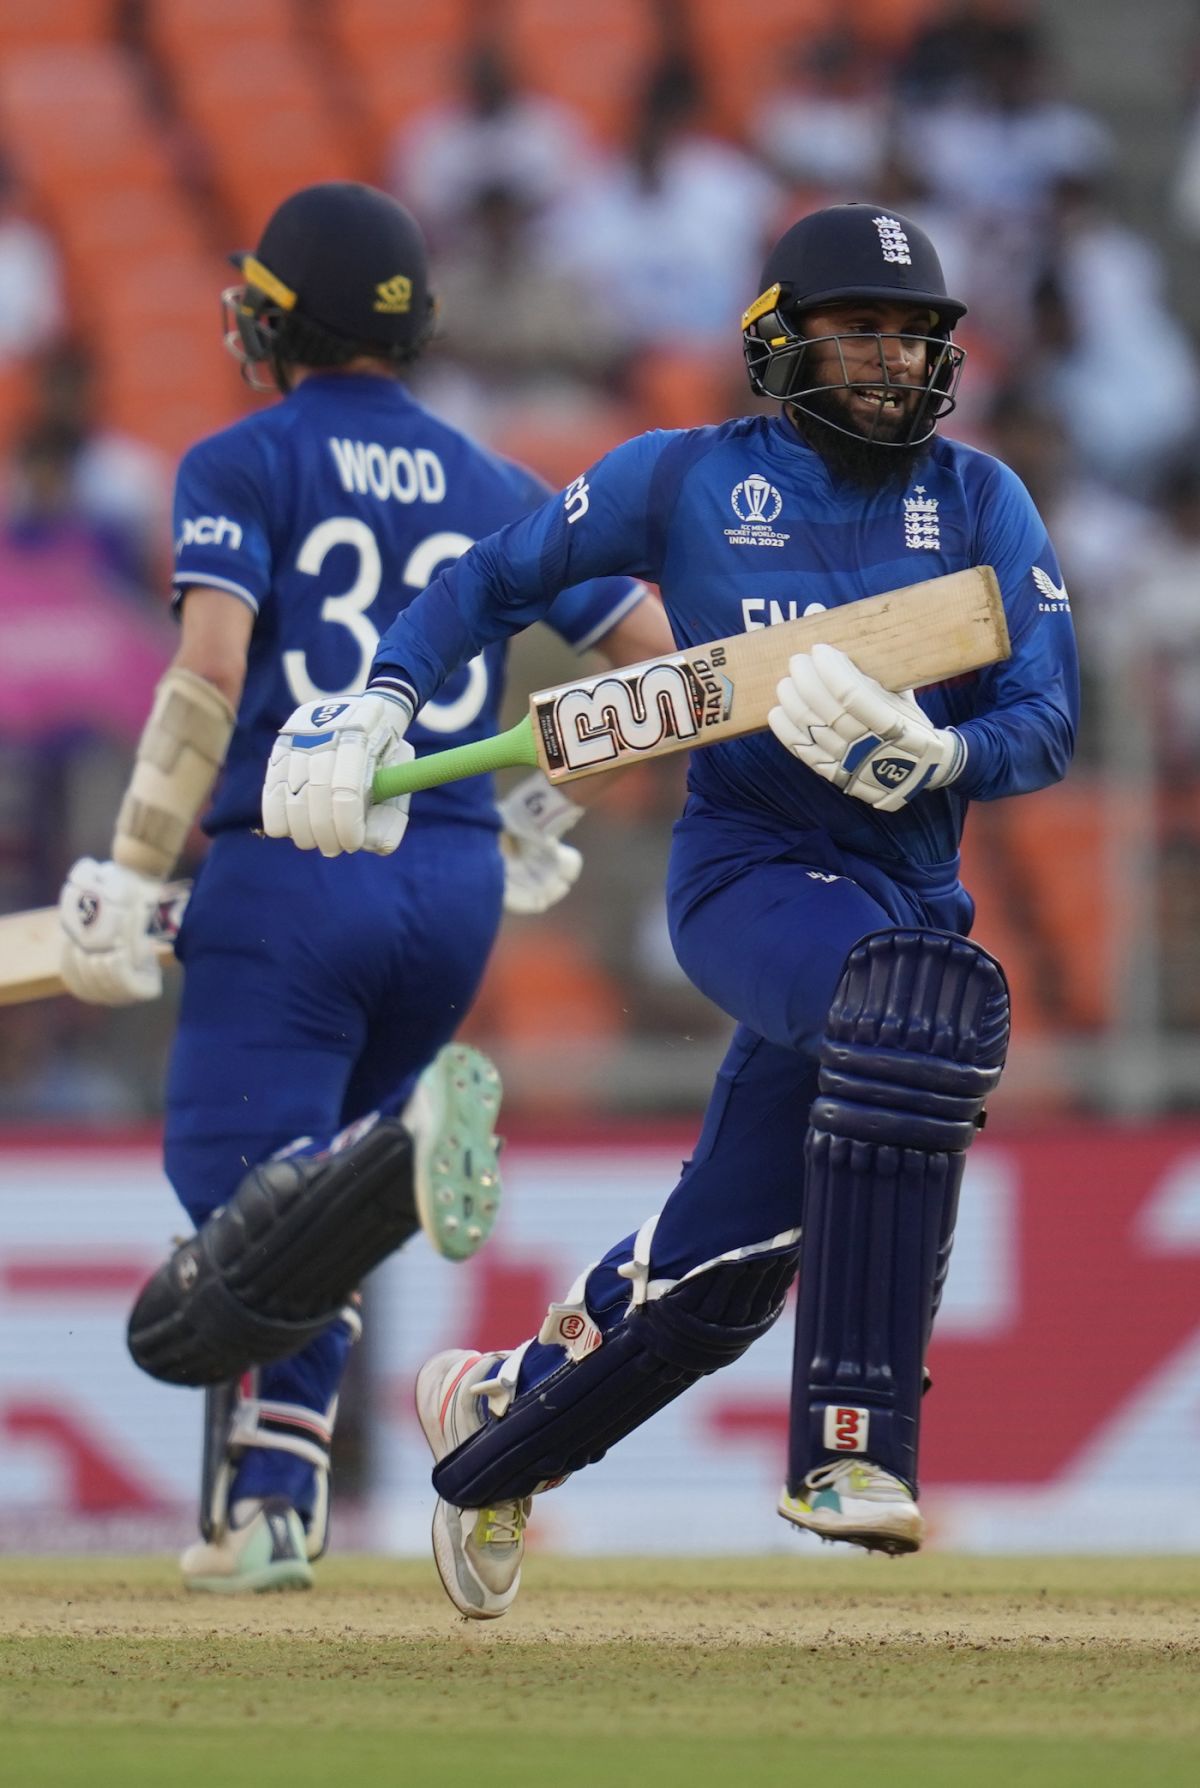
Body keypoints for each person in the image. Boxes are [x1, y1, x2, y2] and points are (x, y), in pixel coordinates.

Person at [263, 201, 1078, 1618]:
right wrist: (377, 706)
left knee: (726, 1272)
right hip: (751, 873)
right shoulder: (685, 482)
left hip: (905, 890)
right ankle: (853, 1447)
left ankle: (494, 1428)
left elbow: (1050, 718)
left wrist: (943, 756)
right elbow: (492, 579)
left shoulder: (984, 501)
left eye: (914, 336)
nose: (893, 360)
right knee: (910, 1013)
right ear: (780, 342)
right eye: (860, 331)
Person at [56, 181, 668, 1595]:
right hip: (449, 880)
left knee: (236, 1189)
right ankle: (272, 1502)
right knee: (301, 1205)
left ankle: (387, 1170)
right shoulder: (499, 480)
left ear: (283, 315)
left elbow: (211, 674)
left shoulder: (239, 459)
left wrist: (132, 866)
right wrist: (535, 804)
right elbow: (663, 664)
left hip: (290, 865)